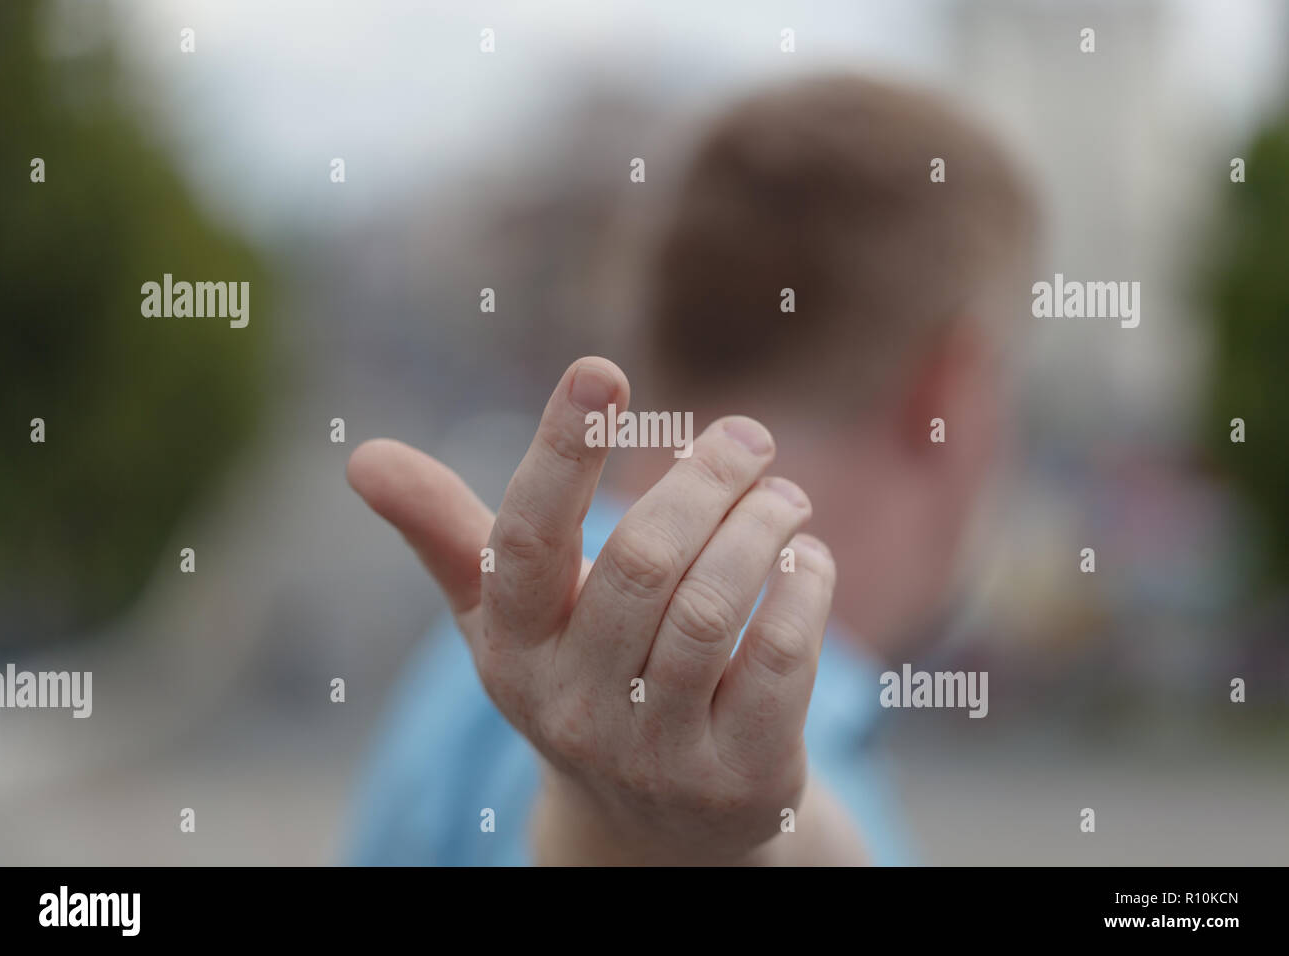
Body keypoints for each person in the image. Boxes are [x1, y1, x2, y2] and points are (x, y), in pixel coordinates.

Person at [343, 74, 1038, 865]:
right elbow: (649, 807)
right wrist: (644, 843)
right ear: (953, 390)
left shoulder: (484, 656)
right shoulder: (682, 704)